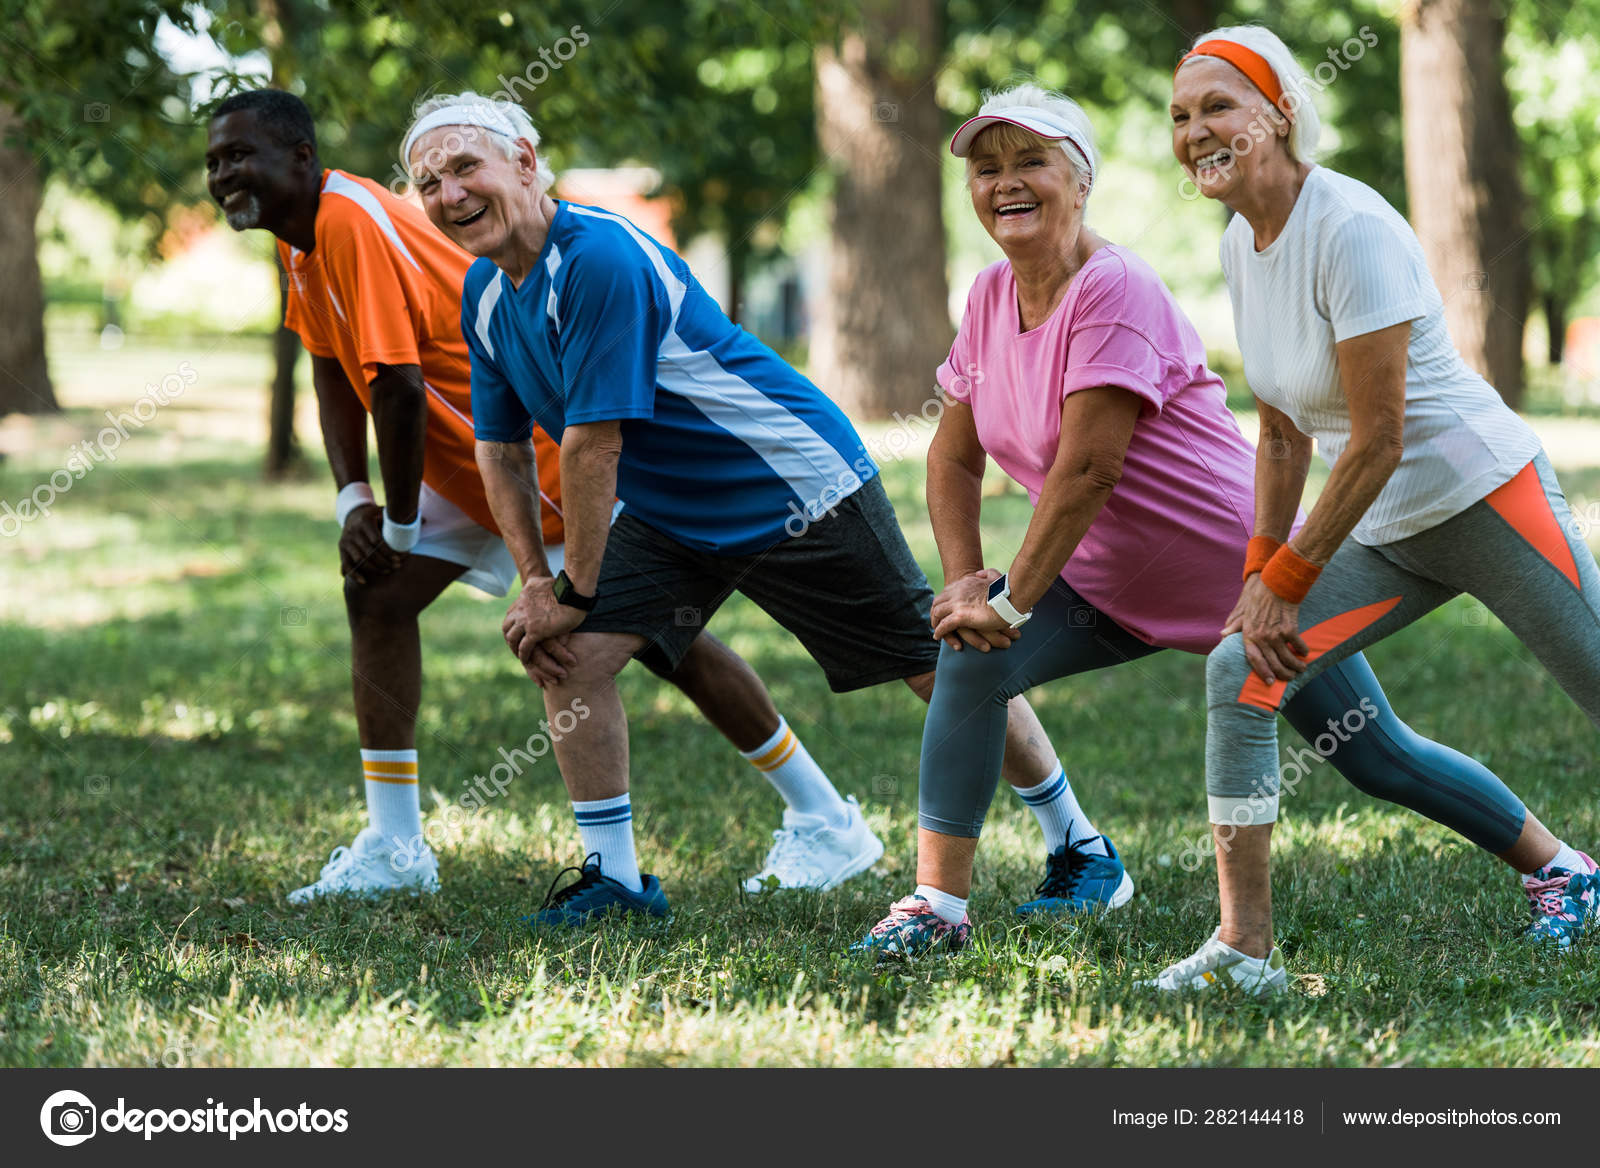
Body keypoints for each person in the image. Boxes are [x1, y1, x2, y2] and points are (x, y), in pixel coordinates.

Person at [849, 82, 1590, 967]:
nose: (1005, 183)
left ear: (1079, 181)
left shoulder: (1113, 286)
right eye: (987, 167)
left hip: (1240, 584)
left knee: (1374, 756)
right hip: (1104, 584)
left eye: (1030, 162)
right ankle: (939, 905)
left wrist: (1011, 601)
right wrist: (969, 583)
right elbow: (952, 455)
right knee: (971, 661)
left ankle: (1563, 869)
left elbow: (1090, 469)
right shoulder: (986, 299)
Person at [400, 91, 1074, 925]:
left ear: (526, 163)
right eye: (428, 183)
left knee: (936, 663)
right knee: (571, 655)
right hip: (670, 511)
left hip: (792, 484)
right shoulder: (487, 294)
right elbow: (499, 448)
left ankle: (1078, 846)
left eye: (466, 166)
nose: (450, 193)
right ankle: (615, 880)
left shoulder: (599, 257)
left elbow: (591, 445)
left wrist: (570, 587)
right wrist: (539, 585)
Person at [204, 88, 885, 902]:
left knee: (661, 644)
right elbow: (331, 366)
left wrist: (396, 520)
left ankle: (822, 816)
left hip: (539, 472)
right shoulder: (300, 243)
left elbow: (398, 386)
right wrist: (352, 498)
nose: (222, 175)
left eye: (239, 156)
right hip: (465, 466)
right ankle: (395, 846)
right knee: (381, 598)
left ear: (301, 160)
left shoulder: (353, 221)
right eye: (213, 161)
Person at [1148, 25, 1600, 993]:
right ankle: (1243, 951)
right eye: (1181, 115)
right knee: (1240, 669)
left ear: (1278, 116)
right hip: (1386, 526)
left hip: (1483, 497)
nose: (1196, 132)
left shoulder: (1349, 228)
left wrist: (1290, 576)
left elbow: (1378, 434)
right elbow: (1279, 432)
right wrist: (1255, 580)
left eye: (1218, 106)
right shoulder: (1240, 242)